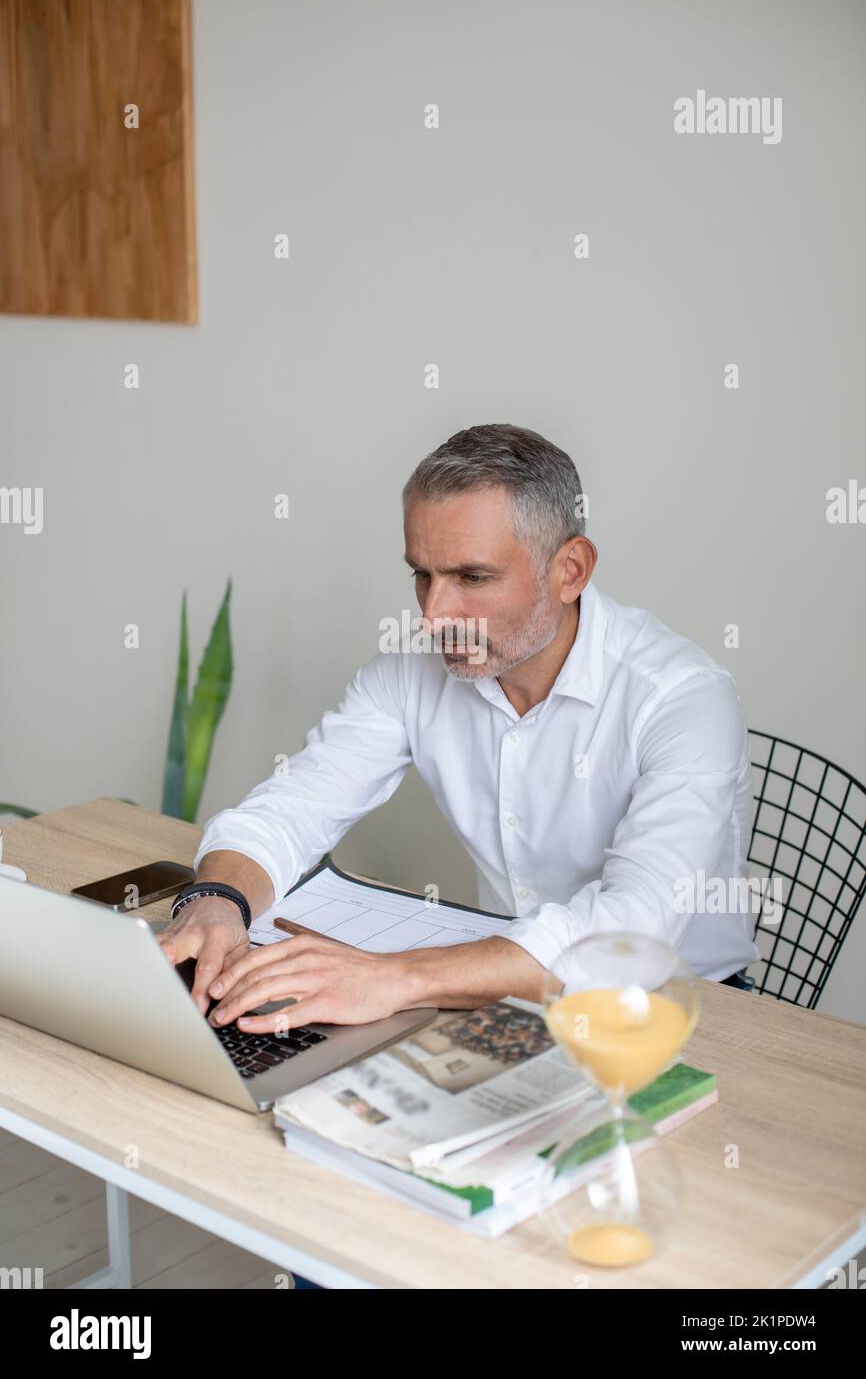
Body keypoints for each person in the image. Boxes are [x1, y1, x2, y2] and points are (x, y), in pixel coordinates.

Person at [157, 423, 759, 1031]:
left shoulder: (684, 699)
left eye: (472, 578)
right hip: (499, 995)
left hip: (687, 1016)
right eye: (422, 573)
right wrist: (218, 903)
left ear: (570, 571)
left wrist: (396, 977)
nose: (433, 614)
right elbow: (291, 809)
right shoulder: (406, 677)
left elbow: (633, 931)